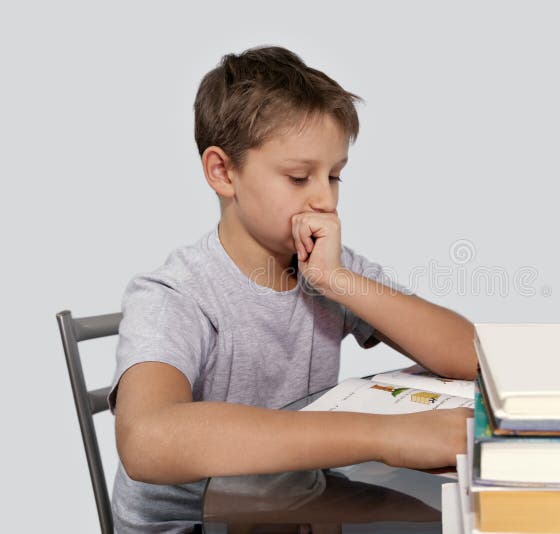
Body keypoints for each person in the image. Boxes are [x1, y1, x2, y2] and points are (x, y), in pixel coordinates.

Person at [109, 45, 477, 533]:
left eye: (335, 175)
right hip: (197, 523)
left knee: (449, 522)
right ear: (223, 172)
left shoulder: (326, 266)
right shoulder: (173, 294)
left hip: (296, 501)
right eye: (299, 176)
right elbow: (147, 441)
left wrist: (337, 281)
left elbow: (471, 356)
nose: (325, 198)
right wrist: (386, 435)